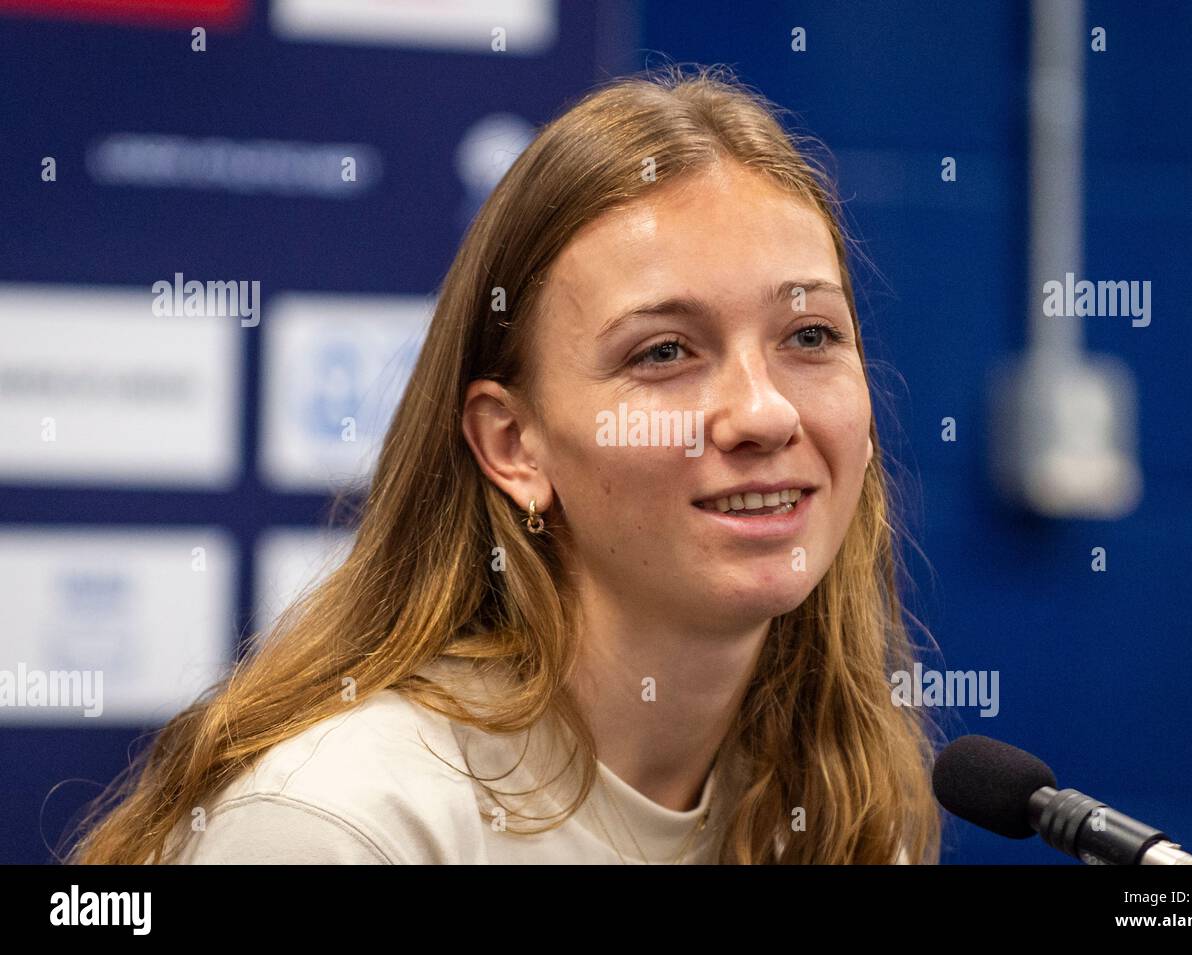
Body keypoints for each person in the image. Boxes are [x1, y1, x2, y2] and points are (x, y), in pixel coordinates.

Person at [66, 63, 941, 865]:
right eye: (666, 351)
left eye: (811, 336)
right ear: (514, 445)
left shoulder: (838, 810)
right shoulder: (338, 824)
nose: (764, 411)